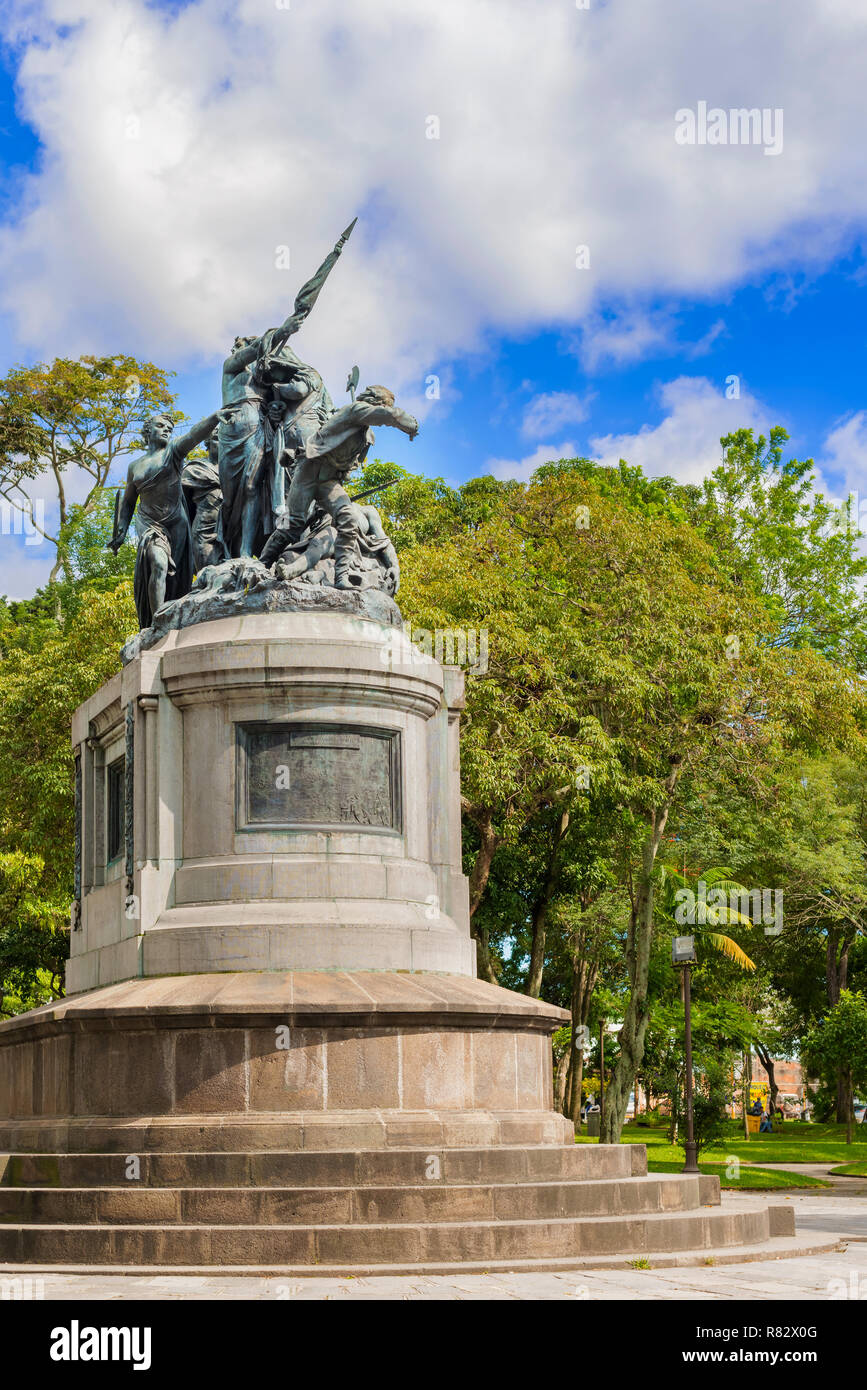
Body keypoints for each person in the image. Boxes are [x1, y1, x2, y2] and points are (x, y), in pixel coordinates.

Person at [261, 386, 418, 589]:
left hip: (329, 481)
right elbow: (386, 416)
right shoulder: (355, 410)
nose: (385, 410)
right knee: (291, 525)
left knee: (348, 519)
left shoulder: (365, 435)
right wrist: (410, 425)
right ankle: (262, 565)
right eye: (384, 406)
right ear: (376, 404)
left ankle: (341, 578)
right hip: (309, 471)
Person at [110, 408, 225, 629]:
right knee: (159, 563)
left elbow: (192, 436)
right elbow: (128, 502)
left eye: (169, 429)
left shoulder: (172, 452)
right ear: (147, 430)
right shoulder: (134, 466)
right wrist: (122, 530)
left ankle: (173, 617)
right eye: (160, 426)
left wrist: (213, 419)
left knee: (178, 579)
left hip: (176, 523)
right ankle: (157, 623)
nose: (166, 431)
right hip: (149, 522)